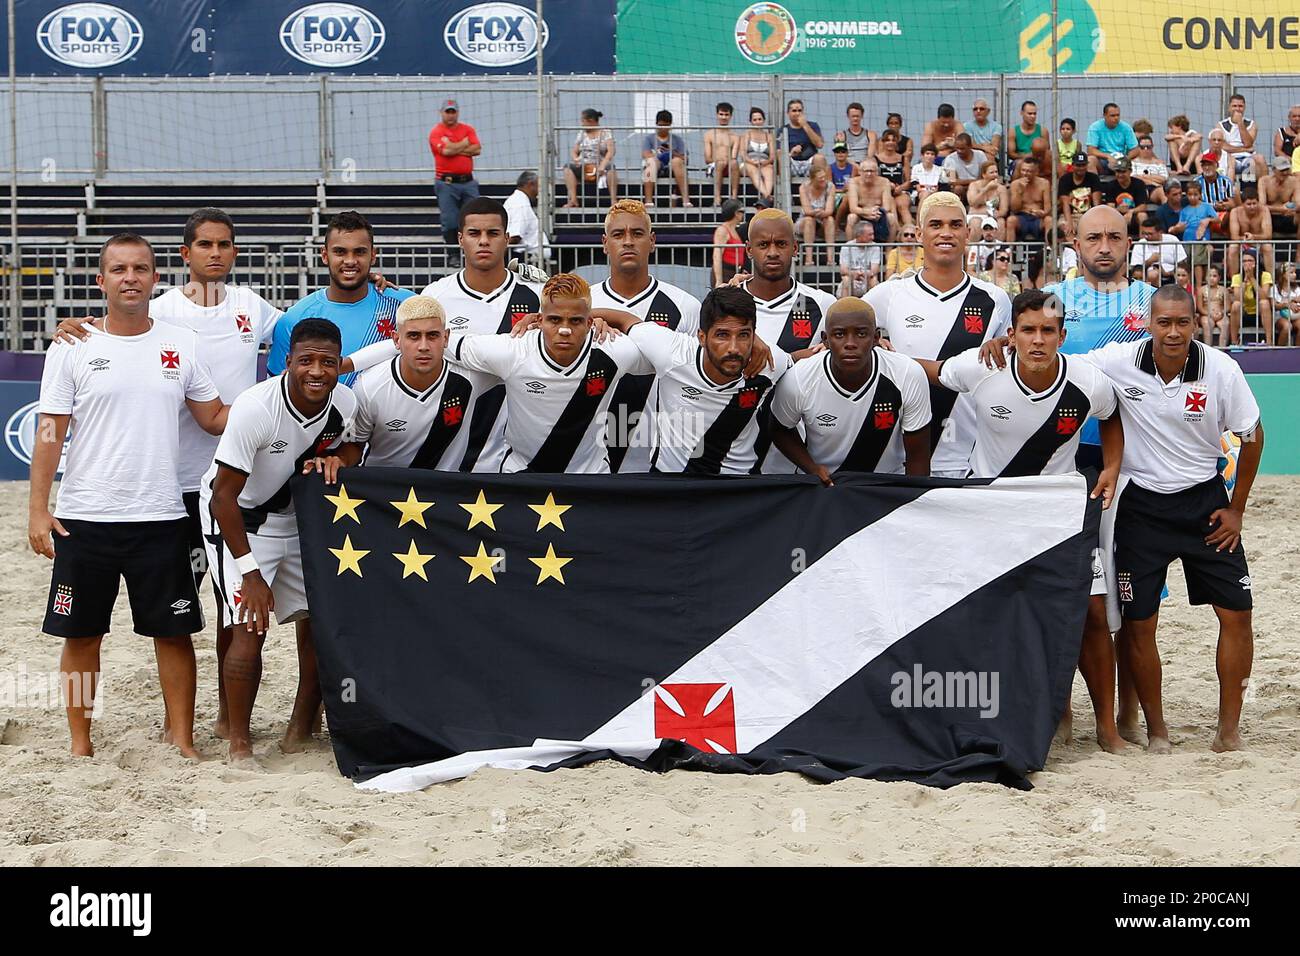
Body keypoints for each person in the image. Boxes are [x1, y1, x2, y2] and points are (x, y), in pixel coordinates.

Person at [31, 233, 227, 759]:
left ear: (155, 277)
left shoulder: (180, 344)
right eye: (119, 269)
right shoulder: (72, 344)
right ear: (101, 280)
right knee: (81, 637)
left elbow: (213, 419)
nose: (130, 277)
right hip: (83, 517)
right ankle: (80, 743)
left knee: (174, 632)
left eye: (140, 268)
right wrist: (37, 509)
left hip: (161, 515)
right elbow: (50, 430)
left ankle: (182, 740)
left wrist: (284, 412)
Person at [923, 289, 1126, 752]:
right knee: (1000, 616)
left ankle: (1107, 730)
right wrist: (883, 350)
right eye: (1028, 331)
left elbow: (1112, 417)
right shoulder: (982, 367)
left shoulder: (1087, 381)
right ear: (1010, 335)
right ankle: (1051, 712)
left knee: (1092, 615)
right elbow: (933, 371)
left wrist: (1112, 466)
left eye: (1047, 332)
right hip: (993, 512)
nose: (1038, 340)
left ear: (1062, 336)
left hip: (1060, 511)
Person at [1087, 287, 1264, 753]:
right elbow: (1062, 363)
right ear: (1148, 323)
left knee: (1238, 614)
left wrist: (1238, 508)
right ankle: (1158, 732)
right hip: (1140, 509)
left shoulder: (1222, 370)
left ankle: (1228, 732)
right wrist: (1005, 345)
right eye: (1163, 322)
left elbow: (1252, 435)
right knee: (1140, 623)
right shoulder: (1117, 361)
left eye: (1182, 323)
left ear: (1194, 322)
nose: (1172, 332)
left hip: (1206, 505)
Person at [202, 318, 354, 762]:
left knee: (317, 623)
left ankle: (300, 728)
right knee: (249, 624)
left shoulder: (345, 402)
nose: (316, 371)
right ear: (286, 362)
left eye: (328, 362)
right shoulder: (255, 407)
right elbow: (221, 498)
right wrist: (250, 573)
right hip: (239, 520)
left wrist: (337, 458)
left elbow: (353, 446)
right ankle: (239, 744)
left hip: (298, 520)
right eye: (305, 360)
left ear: (339, 367)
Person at [866, 192, 1011, 478]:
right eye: (936, 225)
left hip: (967, 459)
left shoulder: (996, 300)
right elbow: (839, 335)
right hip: (898, 458)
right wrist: (873, 347)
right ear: (920, 233)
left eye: (955, 225)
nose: (946, 232)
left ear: (968, 233)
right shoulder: (889, 295)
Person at [447, 274, 654, 473]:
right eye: (554, 320)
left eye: (575, 321)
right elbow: (441, 342)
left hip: (590, 478)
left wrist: (612, 316)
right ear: (539, 320)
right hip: (522, 477)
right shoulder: (513, 350)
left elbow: (660, 349)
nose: (565, 330)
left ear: (590, 323)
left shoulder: (613, 350)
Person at [590, 287, 788, 475]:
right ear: (702, 337)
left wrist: (818, 350)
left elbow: (802, 367)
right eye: (722, 335)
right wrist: (590, 319)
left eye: (743, 335)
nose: (733, 348)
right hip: (671, 485)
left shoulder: (770, 362)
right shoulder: (672, 352)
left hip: (739, 488)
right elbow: (625, 319)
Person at [415, 196, 543, 471]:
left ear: (507, 239)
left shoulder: (537, 297)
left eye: (493, 233)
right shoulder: (436, 296)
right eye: (474, 233)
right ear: (461, 239)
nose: (483, 241)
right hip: (450, 451)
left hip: (516, 458)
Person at [592, 198, 702, 473]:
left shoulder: (685, 306)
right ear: (605, 243)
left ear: (652, 241)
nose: (628, 241)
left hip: (663, 457)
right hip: (591, 454)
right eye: (618, 234)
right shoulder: (582, 305)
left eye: (637, 234)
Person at [771, 296, 930, 481]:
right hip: (825, 486)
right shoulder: (799, 378)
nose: (850, 343)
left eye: (861, 334)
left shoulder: (907, 374)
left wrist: (911, 502)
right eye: (839, 334)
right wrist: (812, 468)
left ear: (876, 338)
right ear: (825, 339)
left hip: (886, 485)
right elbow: (779, 429)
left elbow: (918, 455)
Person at [334, 296, 501, 471]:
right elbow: (353, 443)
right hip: (384, 491)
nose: (423, 346)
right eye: (414, 336)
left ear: (446, 338)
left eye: (432, 336)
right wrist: (341, 459)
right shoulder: (369, 386)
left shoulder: (471, 377)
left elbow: (520, 360)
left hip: (445, 491)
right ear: (396, 340)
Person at [268, 211, 415, 388]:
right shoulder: (294, 319)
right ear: (324, 255)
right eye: (340, 252)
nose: (350, 261)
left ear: (373, 255)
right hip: (328, 416)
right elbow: (277, 389)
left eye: (359, 252)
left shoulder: (405, 306)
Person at [428, 98, 481, 258]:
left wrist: (453, 145)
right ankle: (453, 254)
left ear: (457, 112)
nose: (450, 115)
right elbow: (445, 152)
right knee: (450, 221)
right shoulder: (436, 132)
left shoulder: (468, 129)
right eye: (447, 112)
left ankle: (472, 253)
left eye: (453, 111)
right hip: (446, 182)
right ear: (441, 113)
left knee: (474, 217)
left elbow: (477, 149)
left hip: (468, 181)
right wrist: (464, 145)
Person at [564, 108, 617, 207]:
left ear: (591, 121)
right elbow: (574, 150)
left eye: (583, 121)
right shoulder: (582, 134)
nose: (582, 124)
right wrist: (576, 159)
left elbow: (611, 151)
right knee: (567, 168)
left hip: (600, 163)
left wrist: (602, 165)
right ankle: (573, 199)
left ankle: (613, 201)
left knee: (611, 169)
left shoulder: (606, 133)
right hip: (583, 164)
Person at [642, 109, 691, 208]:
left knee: (677, 162)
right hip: (657, 165)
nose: (663, 128)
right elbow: (646, 154)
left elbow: (684, 158)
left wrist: (672, 153)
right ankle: (648, 200)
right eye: (660, 125)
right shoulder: (649, 139)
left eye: (666, 126)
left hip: (673, 167)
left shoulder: (677, 140)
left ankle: (686, 200)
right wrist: (658, 155)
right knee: (651, 162)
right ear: (656, 124)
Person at [1171, 180, 1216, 287]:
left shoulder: (1206, 206)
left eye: (1195, 194)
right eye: (1190, 195)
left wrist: (1207, 220)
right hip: (1187, 239)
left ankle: (1199, 285)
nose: (1192, 197)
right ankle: (1189, 285)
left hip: (1200, 239)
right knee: (1187, 262)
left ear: (1200, 194)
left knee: (1197, 261)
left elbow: (1217, 218)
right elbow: (1181, 223)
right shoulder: (1184, 210)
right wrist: (1176, 228)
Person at [1217, 93, 1266, 182]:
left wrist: (1240, 123)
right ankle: (1229, 191)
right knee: (1229, 162)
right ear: (1229, 107)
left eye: (1240, 106)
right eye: (1234, 106)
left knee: (1257, 160)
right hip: (1229, 158)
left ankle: (1256, 189)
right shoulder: (1221, 125)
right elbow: (1223, 146)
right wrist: (1245, 149)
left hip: (1247, 158)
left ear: (1244, 108)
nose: (1237, 109)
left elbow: (1248, 143)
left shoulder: (1251, 124)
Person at [1228, 185, 1273, 278]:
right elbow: (1234, 237)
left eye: (1254, 203)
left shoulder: (1264, 210)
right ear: (1243, 204)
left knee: (1268, 247)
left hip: (1258, 242)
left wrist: (1254, 237)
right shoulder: (1235, 212)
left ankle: (1271, 281)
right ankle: (1234, 282)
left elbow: (1268, 235)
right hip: (1242, 243)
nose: (1252, 207)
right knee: (1232, 248)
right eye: (1249, 204)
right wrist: (1245, 239)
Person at [1229, 250, 1274, 345]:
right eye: (1244, 261)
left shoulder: (1265, 275)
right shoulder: (1237, 277)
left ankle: (1269, 342)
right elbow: (1238, 298)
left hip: (1260, 314)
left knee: (1264, 303)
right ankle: (1234, 342)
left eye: (1250, 260)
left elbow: (1264, 296)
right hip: (1243, 315)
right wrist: (1245, 280)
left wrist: (1252, 278)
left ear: (1256, 263)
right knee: (1236, 305)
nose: (1247, 263)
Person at [846, 158, 896, 243]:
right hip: (861, 214)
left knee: (891, 217)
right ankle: (851, 248)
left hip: (878, 214)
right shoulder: (853, 182)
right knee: (851, 217)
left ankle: (888, 250)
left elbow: (887, 207)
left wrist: (876, 212)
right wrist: (867, 212)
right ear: (860, 172)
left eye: (872, 171)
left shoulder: (884, 182)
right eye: (866, 171)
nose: (869, 174)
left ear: (877, 172)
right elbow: (853, 208)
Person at [797, 163, 837, 266]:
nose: (823, 179)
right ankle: (809, 259)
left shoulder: (830, 186)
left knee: (830, 220)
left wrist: (822, 213)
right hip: (805, 221)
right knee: (809, 220)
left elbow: (829, 210)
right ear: (812, 179)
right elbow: (806, 210)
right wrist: (817, 212)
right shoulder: (804, 187)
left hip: (822, 220)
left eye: (824, 177)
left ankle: (830, 259)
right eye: (820, 178)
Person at [504, 171, 548, 263]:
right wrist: (498, 256)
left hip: (530, 257)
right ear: (530, 184)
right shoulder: (519, 203)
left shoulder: (517, 200)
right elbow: (515, 235)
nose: (538, 191)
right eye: (538, 186)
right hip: (527, 259)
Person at [1129, 219, 1186, 287]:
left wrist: (1168, 273)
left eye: (1150, 234)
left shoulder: (1172, 240)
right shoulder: (1140, 243)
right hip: (1148, 277)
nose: (1146, 236)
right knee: (1153, 274)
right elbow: (1135, 268)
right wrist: (1149, 262)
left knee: (1182, 275)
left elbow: (1182, 263)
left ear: (1160, 232)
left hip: (1172, 275)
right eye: (1144, 233)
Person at [873, 129, 913, 226]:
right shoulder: (875, 158)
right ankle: (897, 229)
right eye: (887, 140)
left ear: (896, 143)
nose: (890, 143)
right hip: (882, 192)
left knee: (902, 205)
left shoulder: (903, 158)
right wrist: (887, 184)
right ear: (883, 142)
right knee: (890, 203)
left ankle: (910, 230)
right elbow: (874, 179)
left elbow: (909, 181)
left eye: (893, 140)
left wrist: (900, 188)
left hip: (900, 191)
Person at [1008, 156, 1050, 247]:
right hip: (1021, 216)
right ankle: (1009, 253)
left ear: (1036, 172)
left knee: (1049, 220)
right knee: (1011, 220)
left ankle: (1049, 251)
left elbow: (1048, 208)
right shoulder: (1015, 184)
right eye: (1023, 170)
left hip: (1038, 218)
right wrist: (1020, 192)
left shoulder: (1044, 183)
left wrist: (1041, 213)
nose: (1025, 174)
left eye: (1029, 171)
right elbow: (1014, 209)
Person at [704, 101, 739, 207]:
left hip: (729, 166)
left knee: (734, 163)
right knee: (720, 163)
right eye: (721, 114)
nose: (724, 117)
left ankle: (734, 197)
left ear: (730, 116)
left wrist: (727, 161)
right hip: (714, 166)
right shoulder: (709, 134)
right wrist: (719, 161)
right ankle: (717, 197)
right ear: (717, 115)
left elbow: (734, 156)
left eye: (726, 115)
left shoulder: (735, 136)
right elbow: (707, 158)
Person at [1086, 102, 1138, 174]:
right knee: (1090, 160)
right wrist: (1108, 156)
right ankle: (1095, 184)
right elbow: (1091, 150)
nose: (1116, 118)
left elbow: (1135, 150)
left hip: (1121, 159)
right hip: (1102, 160)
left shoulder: (1126, 127)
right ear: (1104, 115)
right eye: (1112, 116)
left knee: (1136, 162)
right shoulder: (1095, 127)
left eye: (1118, 115)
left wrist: (1126, 158)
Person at [740, 106, 776, 207]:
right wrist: (753, 162)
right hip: (748, 163)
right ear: (751, 121)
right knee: (752, 169)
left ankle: (766, 195)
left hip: (764, 163)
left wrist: (764, 162)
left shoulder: (768, 136)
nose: (757, 122)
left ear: (763, 120)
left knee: (769, 169)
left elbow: (772, 156)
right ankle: (767, 196)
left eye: (759, 119)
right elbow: (743, 154)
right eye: (754, 120)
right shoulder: (747, 135)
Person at [1100, 157, 1151, 228]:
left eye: (1123, 171)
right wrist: (1119, 210)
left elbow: (1143, 207)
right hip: (1116, 214)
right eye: (1118, 171)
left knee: (1142, 215)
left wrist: (1130, 211)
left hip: (1134, 215)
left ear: (1130, 171)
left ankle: (1142, 238)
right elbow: (1110, 207)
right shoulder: (1110, 185)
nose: (1120, 175)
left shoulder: (1139, 184)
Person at [838, 220, 882, 297]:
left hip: (867, 279)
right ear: (859, 235)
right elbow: (843, 270)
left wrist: (863, 274)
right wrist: (854, 274)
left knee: (874, 281)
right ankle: (844, 307)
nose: (873, 237)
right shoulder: (847, 246)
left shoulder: (875, 247)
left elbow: (874, 270)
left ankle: (874, 308)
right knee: (846, 280)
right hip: (852, 279)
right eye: (870, 235)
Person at [1260, 155, 1299, 239]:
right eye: (1282, 170)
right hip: (1270, 217)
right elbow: (1261, 206)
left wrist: (1294, 209)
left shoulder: (1294, 181)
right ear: (1274, 170)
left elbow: (1298, 203)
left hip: (1289, 217)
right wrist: (1281, 209)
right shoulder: (1264, 181)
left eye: (1287, 169)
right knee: (1262, 213)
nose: (1285, 173)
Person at [783, 98, 824, 178]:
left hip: (809, 162)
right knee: (783, 159)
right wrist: (791, 153)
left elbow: (819, 144)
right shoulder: (783, 129)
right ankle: (783, 188)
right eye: (794, 111)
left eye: (799, 111)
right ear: (788, 113)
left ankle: (821, 188)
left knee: (820, 158)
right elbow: (779, 153)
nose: (797, 113)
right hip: (791, 162)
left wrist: (805, 125)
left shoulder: (813, 126)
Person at [967, 162, 1008, 240]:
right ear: (984, 175)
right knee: (976, 223)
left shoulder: (1001, 188)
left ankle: (998, 250)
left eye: (996, 172)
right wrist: (987, 189)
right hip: (975, 215)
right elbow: (973, 203)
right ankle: (972, 249)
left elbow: (1004, 210)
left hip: (992, 216)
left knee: (1001, 222)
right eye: (991, 172)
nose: (995, 175)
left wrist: (997, 214)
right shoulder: (974, 185)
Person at [712, 197, 747, 288]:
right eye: (742, 211)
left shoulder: (735, 230)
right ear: (736, 213)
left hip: (734, 272)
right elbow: (717, 256)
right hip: (725, 272)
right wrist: (719, 281)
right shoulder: (723, 230)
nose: (743, 214)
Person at [1059, 151, 1102, 222]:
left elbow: (1096, 204)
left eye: (1083, 165)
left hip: (1089, 215)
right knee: (1065, 228)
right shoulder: (1065, 179)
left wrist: (1094, 220)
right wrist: (1069, 223)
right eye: (1078, 165)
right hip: (1069, 215)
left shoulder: (1094, 178)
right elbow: (1065, 204)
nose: (1081, 168)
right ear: (1072, 165)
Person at [942, 133, 983, 201]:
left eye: (962, 148)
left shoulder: (980, 155)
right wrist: (973, 181)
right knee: (958, 188)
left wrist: (963, 182)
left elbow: (984, 176)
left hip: (978, 187)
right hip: (962, 188)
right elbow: (952, 181)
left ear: (970, 146)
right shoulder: (950, 158)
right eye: (957, 148)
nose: (959, 151)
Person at [1131, 134, 1170, 203]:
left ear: (1152, 147)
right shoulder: (1133, 163)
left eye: (1148, 147)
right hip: (1139, 188)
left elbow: (1163, 179)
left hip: (1155, 189)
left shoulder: (1159, 163)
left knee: (1162, 193)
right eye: (1142, 147)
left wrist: (1143, 176)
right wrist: (1153, 182)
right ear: (1138, 148)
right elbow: (1134, 178)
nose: (1145, 149)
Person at [1271, 261, 1300, 346]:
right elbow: (1274, 305)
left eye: (1295, 272)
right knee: (1287, 326)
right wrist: (1288, 304)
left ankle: (1297, 351)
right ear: (1283, 274)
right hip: (1279, 318)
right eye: (1291, 272)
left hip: (1295, 317)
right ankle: (1280, 351)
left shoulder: (1297, 289)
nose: (1294, 275)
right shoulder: (1274, 289)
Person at [1197, 265, 1227, 345]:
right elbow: (1200, 307)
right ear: (1205, 277)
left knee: (1225, 324)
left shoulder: (1223, 289)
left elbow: (1228, 306)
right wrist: (1209, 314)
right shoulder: (1201, 290)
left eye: (1214, 276)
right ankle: (1208, 348)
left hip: (1220, 315)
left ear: (1219, 277)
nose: (1211, 278)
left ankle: (1222, 349)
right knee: (1207, 323)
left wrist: (1222, 312)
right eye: (1209, 276)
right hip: (1206, 314)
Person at [967, 98, 1002, 164]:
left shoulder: (996, 126)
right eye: (975, 109)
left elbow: (994, 147)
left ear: (988, 111)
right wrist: (984, 147)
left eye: (981, 109)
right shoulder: (967, 126)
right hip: (973, 155)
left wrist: (978, 146)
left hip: (990, 155)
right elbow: (970, 145)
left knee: (989, 157)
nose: (978, 111)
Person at [1010, 100, 1044, 165]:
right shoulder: (1013, 131)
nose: (1033, 116)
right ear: (1022, 113)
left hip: (1038, 162)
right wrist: (1026, 156)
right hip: (1020, 162)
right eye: (1030, 114)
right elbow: (1011, 154)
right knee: (1019, 163)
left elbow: (1046, 152)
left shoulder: (1043, 131)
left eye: (1034, 114)